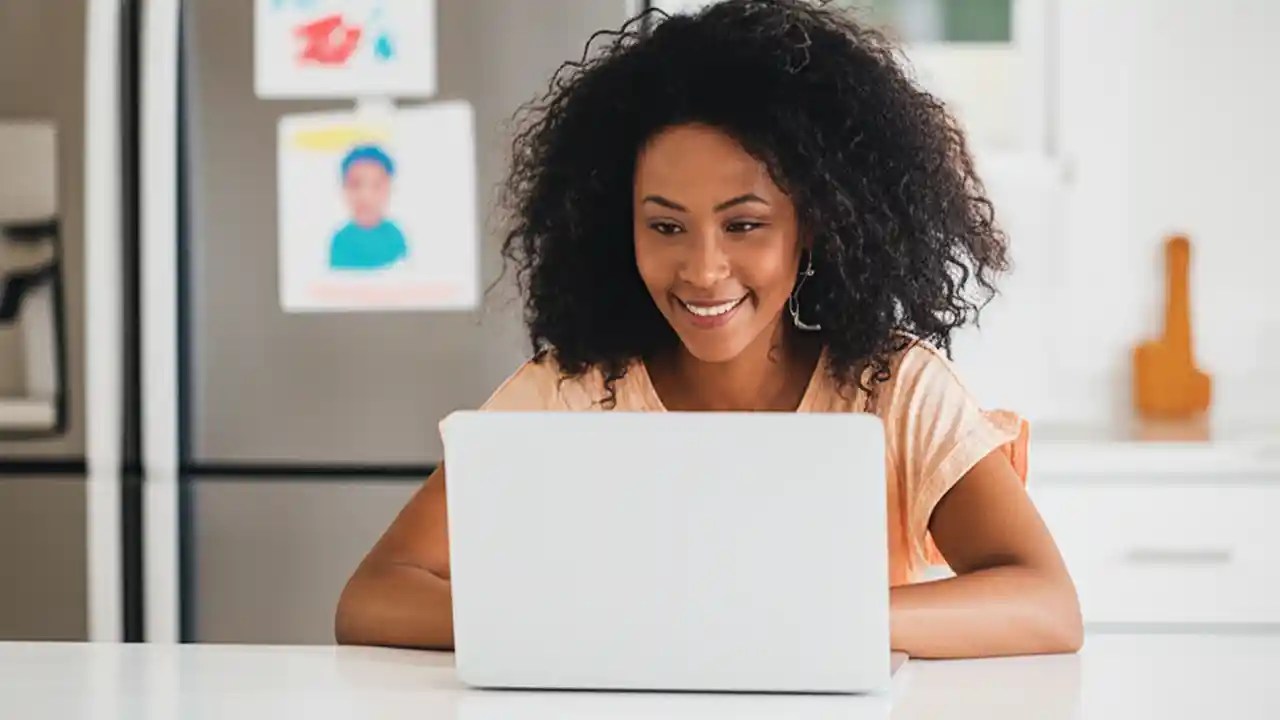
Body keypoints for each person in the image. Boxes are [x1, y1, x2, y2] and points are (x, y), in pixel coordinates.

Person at [335, 0, 1082, 659]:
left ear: (814, 225)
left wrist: (782, 625)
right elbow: (374, 597)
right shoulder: (573, 393)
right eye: (665, 225)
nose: (703, 268)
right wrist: (596, 625)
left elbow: (1044, 603)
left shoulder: (892, 391)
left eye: (745, 224)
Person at [329, 144, 408, 271]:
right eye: (356, 185)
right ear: (344, 189)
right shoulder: (341, 240)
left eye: (376, 186)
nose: (365, 195)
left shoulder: (395, 236)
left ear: (388, 189)